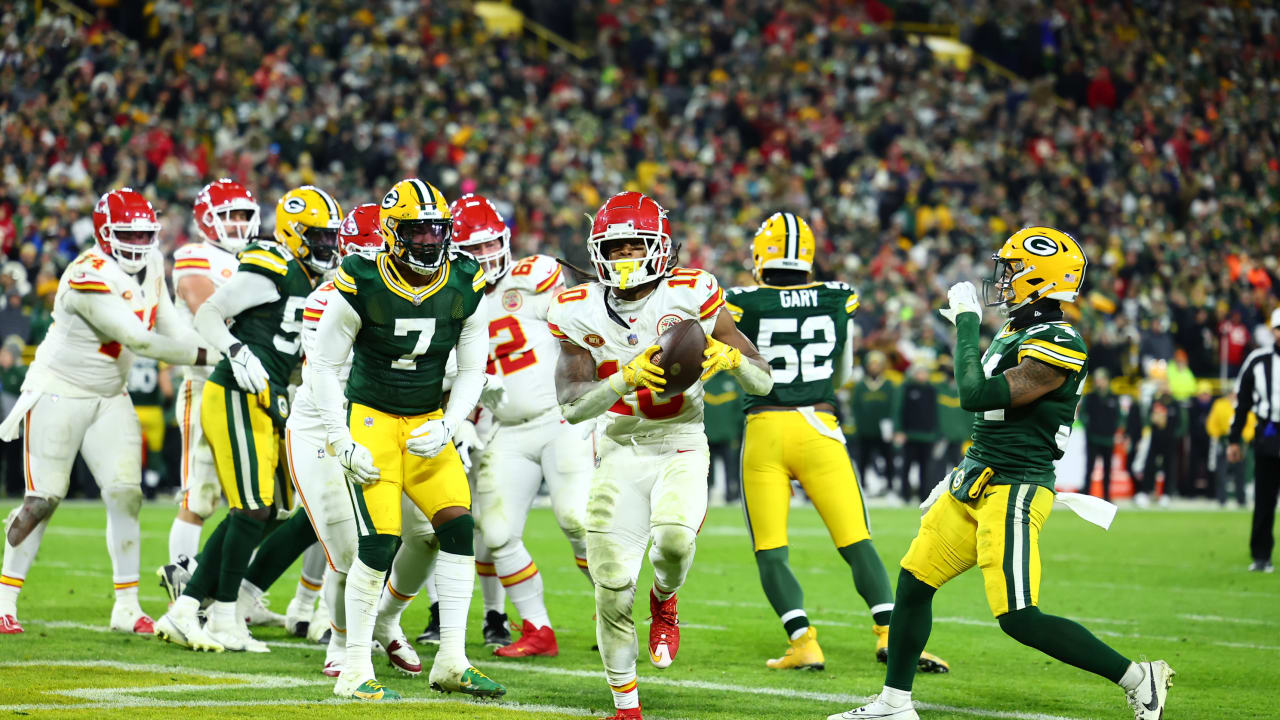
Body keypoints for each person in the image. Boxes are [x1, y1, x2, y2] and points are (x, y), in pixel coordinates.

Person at [834, 227, 1173, 720]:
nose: (1005, 280)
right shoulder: (1017, 330)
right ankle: (895, 702)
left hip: (1016, 487)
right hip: (975, 479)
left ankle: (1140, 677)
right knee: (913, 582)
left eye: (1013, 270)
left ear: (1040, 277)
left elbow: (976, 395)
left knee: (1018, 617)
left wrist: (967, 324)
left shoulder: (1061, 339)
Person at [549, 191, 774, 720]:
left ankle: (665, 599)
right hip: (621, 448)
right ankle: (626, 705)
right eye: (616, 247)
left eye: (636, 246)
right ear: (597, 250)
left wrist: (732, 360)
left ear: (660, 248)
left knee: (672, 542)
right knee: (609, 583)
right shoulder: (574, 307)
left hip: (680, 443)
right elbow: (574, 408)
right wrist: (621, 379)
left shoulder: (692, 292)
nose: (626, 257)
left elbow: (763, 381)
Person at [725, 212, 948, 674]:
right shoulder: (837, 297)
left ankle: (804, 642)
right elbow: (841, 374)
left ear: (760, 258)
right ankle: (890, 634)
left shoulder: (741, 301)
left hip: (766, 429)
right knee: (856, 540)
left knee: (771, 547)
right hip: (820, 429)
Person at [309, 178, 504, 700]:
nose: (427, 241)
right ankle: (353, 669)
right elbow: (324, 366)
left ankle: (453, 660)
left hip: (425, 421)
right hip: (371, 418)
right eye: (415, 231)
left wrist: (450, 421)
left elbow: (472, 366)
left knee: (459, 527)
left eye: (435, 230)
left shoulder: (465, 279)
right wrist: (339, 436)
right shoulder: (361, 279)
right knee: (379, 541)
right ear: (392, 233)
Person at [0, 187, 215, 635]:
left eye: (144, 235)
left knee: (126, 493)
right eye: (128, 235)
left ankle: (126, 605)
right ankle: (4, 598)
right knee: (44, 500)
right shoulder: (87, 273)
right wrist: (211, 357)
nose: (139, 245)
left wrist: (212, 347)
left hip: (110, 395)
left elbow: (169, 324)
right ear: (104, 232)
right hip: (60, 390)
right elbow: (139, 340)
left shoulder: (154, 263)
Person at [154, 185, 338, 652]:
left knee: (271, 510)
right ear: (295, 234)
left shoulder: (307, 278)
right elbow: (210, 314)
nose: (327, 246)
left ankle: (190, 606)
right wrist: (235, 352)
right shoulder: (271, 264)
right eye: (319, 237)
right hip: (234, 390)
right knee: (251, 507)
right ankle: (221, 617)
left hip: (269, 396)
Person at [281, 202, 434, 678]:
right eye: (361, 252)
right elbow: (334, 379)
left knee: (426, 535)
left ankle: (387, 619)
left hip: (384, 420)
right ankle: (344, 641)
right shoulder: (327, 299)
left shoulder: (418, 293)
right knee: (353, 549)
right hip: (325, 426)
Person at [450, 193, 591, 658]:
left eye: (492, 244)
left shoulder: (533, 278)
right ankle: (538, 629)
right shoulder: (452, 298)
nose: (486, 257)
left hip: (560, 419)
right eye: (473, 249)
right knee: (495, 533)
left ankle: (618, 608)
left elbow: (581, 326)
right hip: (506, 431)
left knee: (577, 519)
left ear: (506, 240)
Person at [166, 179, 258, 565]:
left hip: (253, 387)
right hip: (207, 383)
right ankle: (183, 588)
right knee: (199, 493)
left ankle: (233, 596)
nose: (237, 223)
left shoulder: (259, 256)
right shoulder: (194, 255)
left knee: (256, 498)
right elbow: (209, 311)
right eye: (228, 215)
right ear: (206, 219)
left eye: (243, 215)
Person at [1228, 308, 1280, 573]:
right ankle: (1261, 555)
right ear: (1273, 331)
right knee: (1264, 498)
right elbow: (1243, 403)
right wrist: (1234, 439)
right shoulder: (1258, 360)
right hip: (1269, 433)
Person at [850, 351, 898, 497]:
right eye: (872, 364)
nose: (874, 367)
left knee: (888, 459)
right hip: (865, 430)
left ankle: (890, 488)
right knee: (863, 460)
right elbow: (855, 407)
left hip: (883, 431)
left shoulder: (889, 385)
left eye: (878, 364)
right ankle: (863, 486)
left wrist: (892, 427)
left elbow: (894, 407)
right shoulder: (860, 386)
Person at [895, 363, 940, 502]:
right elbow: (898, 410)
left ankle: (924, 496)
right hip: (909, 435)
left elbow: (937, 413)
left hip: (927, 436)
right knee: (906, 467)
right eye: (919, 373)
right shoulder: (906, 388)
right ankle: (905, 495)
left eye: (924, 373)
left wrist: (936, 433)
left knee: (925, 469)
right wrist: (899, 431)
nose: (921, 376)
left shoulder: (932, 390)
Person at [1079, 368, 1119, 500]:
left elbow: (1120, 417)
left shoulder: (1114, 397)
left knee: (1108, 469)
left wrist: (1116, 430)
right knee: (1089, 467)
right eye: (1097, 380)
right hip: (1093, 438)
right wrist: (1089, 427)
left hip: (1108, 439)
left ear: (1107, 381)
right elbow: (1082, 415)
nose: (1099, 382)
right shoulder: (1090, 397)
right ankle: (1086, 494)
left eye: (1101, 379)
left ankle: (1107, 496)